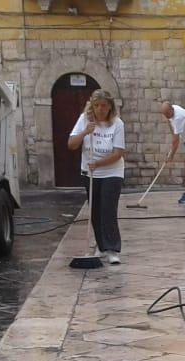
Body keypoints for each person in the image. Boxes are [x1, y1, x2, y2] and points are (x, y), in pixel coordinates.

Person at [66, 90, 126, 264]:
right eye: (97, 105)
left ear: (110, 107)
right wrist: (85, 132)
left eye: (104, 106)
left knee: (108, 209)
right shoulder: (85, 120)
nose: (101, 109)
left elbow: (118, 152)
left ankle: (113, 248)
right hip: (90, 173)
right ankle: (101, 246)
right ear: (92, 106)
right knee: (95, 211)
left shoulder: (117, 124)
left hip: (112, 172)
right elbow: (71, 144)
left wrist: (99, 164)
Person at [159, 101, 185, 204]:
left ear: (171, 110)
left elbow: (176, 140)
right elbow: (173, 131)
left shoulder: (179, 117)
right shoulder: (172, 112)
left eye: (167, 114)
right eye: (164, 115)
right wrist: (168, 121)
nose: (166, 116)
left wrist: (171, 156)